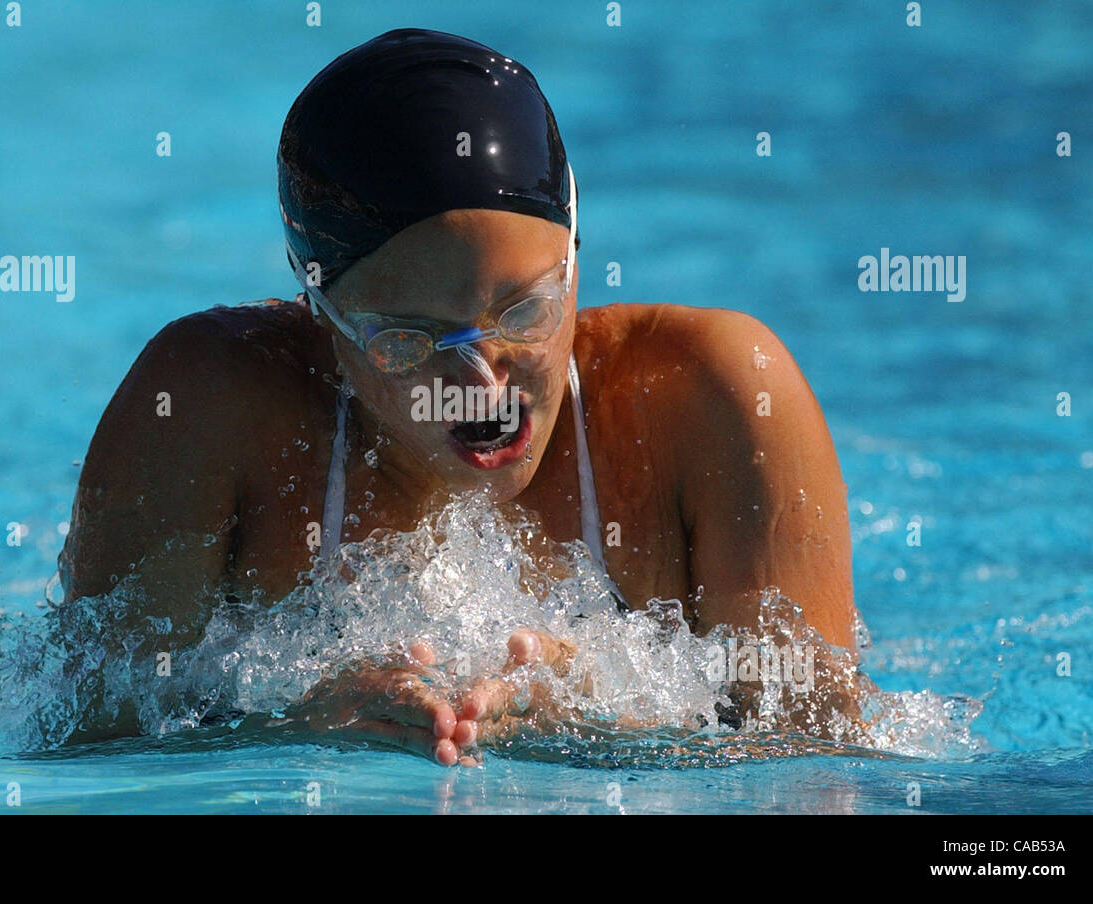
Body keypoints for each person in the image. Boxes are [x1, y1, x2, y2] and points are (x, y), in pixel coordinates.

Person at [58, 28, 856, 765]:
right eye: (407, 341)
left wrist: (611, 715)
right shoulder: (205, 402)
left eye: (525, 312)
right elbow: (77, 747)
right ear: (319, 312)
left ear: (576, 253)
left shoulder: (714, 396)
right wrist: (285, 734)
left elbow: (825, 765)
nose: (482, 383)